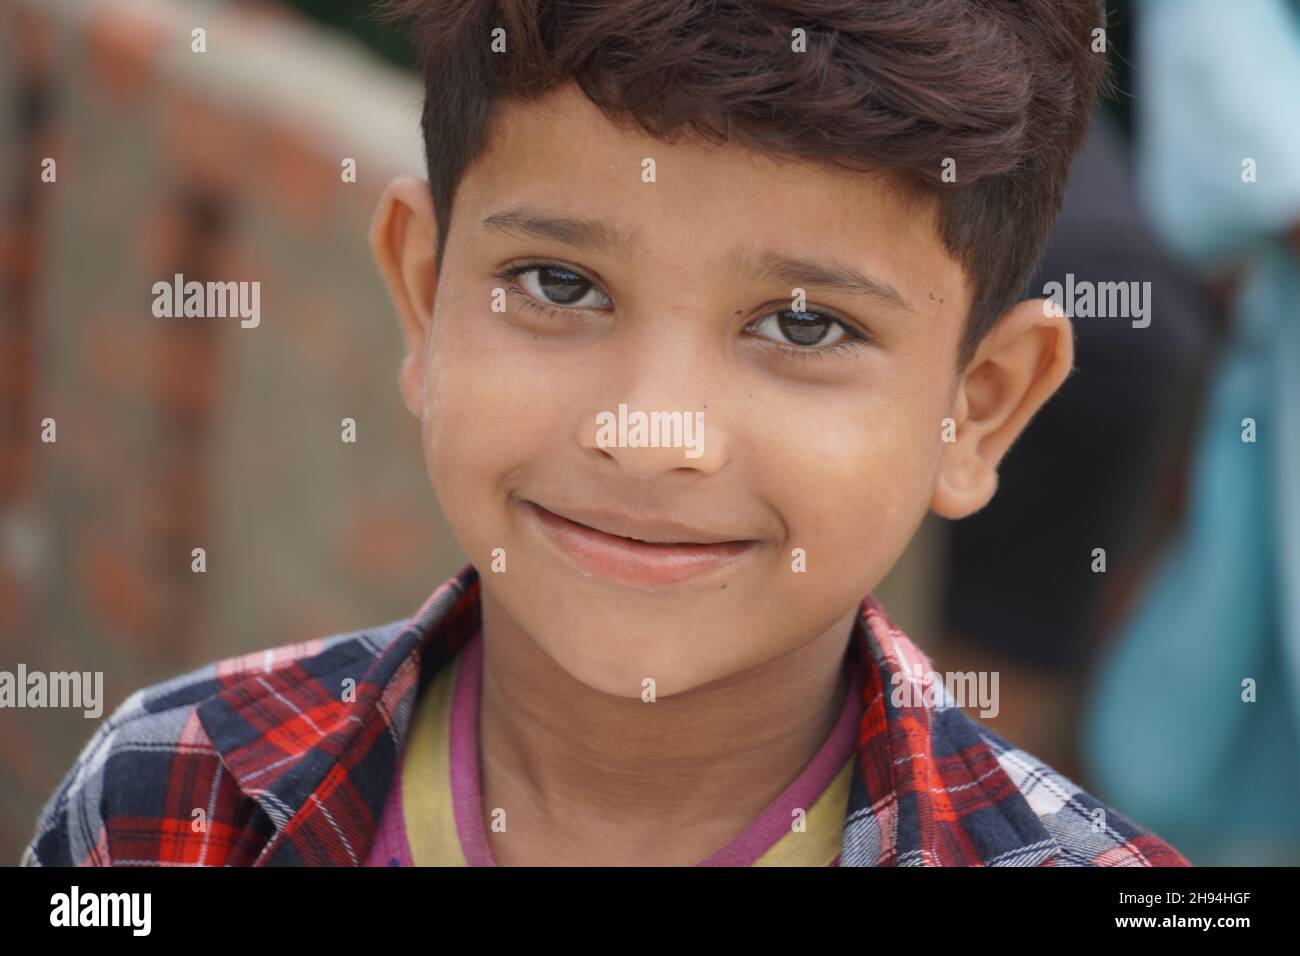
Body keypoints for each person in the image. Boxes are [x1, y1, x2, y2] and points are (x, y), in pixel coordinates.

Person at [23, 0, 1188, 867]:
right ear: (425, 295)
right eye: (561, 285)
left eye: (801, 322)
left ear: (975, 408)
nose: (647, 433)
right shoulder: (170, 795)